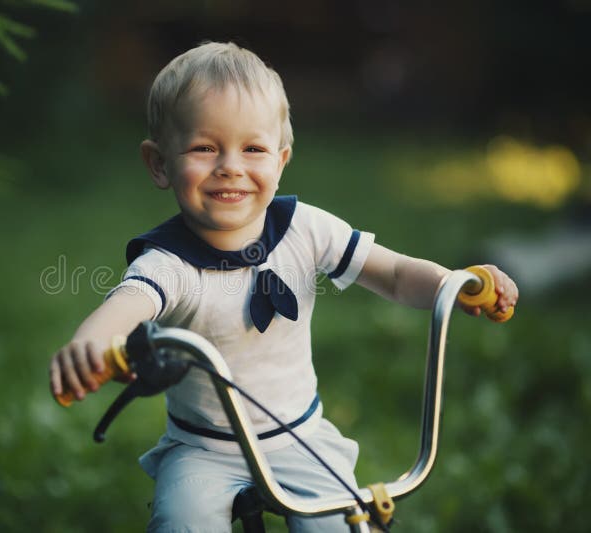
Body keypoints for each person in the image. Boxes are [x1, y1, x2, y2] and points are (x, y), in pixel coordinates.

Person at [49, 41, 519, 532]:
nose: (230, 165)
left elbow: (397, 275)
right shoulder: (169, 262)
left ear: (281, 159)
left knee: (342, 523)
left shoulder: (305, 229)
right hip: (202, 449)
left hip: (301, 437)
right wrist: (90, 345)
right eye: (205, 147)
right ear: (160, 163)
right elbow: (125, 306)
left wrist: (452, 284)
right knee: (182, 522)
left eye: (253, 148)